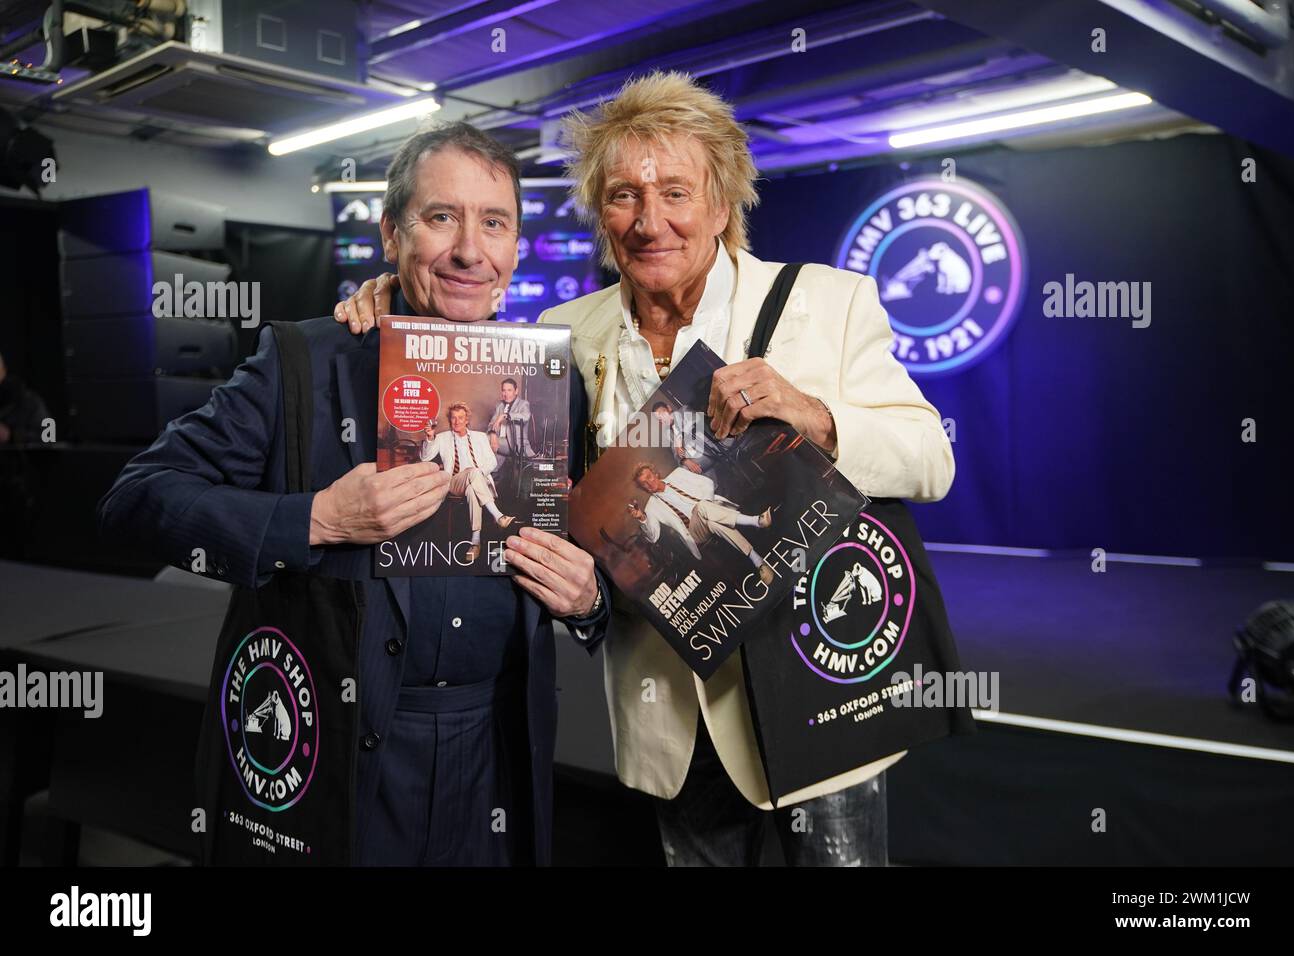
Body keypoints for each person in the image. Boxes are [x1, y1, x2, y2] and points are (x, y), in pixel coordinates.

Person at [335, 73, 955, 867]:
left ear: (723, 205)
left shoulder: (827, 305)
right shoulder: (562, 331)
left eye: (676, 192)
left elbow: (931, 457)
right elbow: (458, 330)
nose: (649, 220)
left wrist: (817, 417)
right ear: (600, 215)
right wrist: (385, 299)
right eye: (624, 195)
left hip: (815, 695)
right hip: (670, 718)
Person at [100, 121, 611, 867]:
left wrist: (588, 602)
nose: (471, 249)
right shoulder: (303, 362)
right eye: (441, 218)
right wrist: (314, 519)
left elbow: (602, 567)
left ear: (514, 246)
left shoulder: (550, 389)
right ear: (390, 234)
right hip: (347, 755)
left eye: (494, 223)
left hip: (494, 758)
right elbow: (136, 499)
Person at [629, 460, 773, 584]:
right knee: (702, 507)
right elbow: (653, 536)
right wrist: (642, 518)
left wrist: (708, 509)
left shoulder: (678, 474)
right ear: (643, 489)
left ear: (655, 474)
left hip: (712, 511)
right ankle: (755, 520)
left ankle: (758, 562)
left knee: (713, 521)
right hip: (695, 532)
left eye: (649, 477)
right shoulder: (651, 508)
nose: (649, 483)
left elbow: (707, 483)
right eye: (644, 484)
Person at [420, 400, 515, 562]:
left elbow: (492, 462)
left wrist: (477, 474)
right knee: (472, 474)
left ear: (467, 420)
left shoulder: (479, 437)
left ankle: (475, 542)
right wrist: (430, 438)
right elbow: (425, 458)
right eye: (453, 418)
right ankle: (498, 515)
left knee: (473, 489)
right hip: (455, 482)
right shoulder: (442, 438)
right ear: (450, 420)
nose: (456, 421)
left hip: (477, 483)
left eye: (460, 418)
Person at [488, 377, 535, 463]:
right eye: (504, 390)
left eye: (509, 390)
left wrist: (505, 415)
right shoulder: (500, 405)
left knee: (483, 439)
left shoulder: (523, 404)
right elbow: (491, 424)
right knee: (491, 468)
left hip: (515, 445)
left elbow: (525, 416)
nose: (506, 394)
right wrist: (493, 434)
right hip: (500, 443)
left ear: (516, 391)